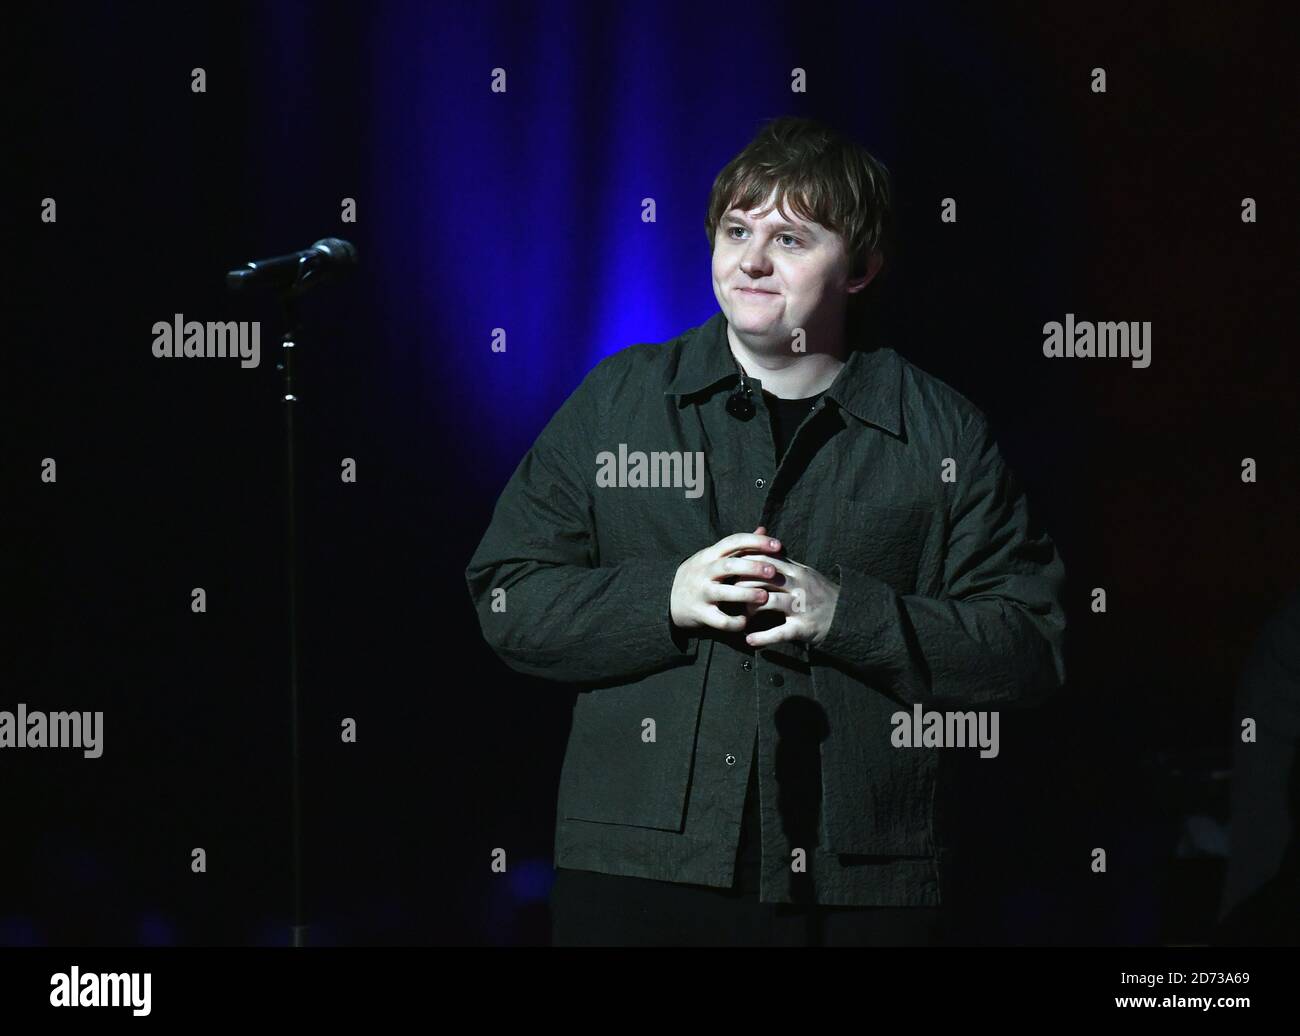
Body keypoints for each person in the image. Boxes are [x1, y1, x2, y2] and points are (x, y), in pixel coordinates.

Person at [465, 115, 1068, 946]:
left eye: (789, 236)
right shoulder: (620, 398)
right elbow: (507, 596)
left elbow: (1029, 647)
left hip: (863, 885)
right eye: (736, 230)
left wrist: (847, 616)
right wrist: (664, 597)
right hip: (639, 873)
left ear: (860, 269)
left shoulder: (943, 433)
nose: (750, 259)